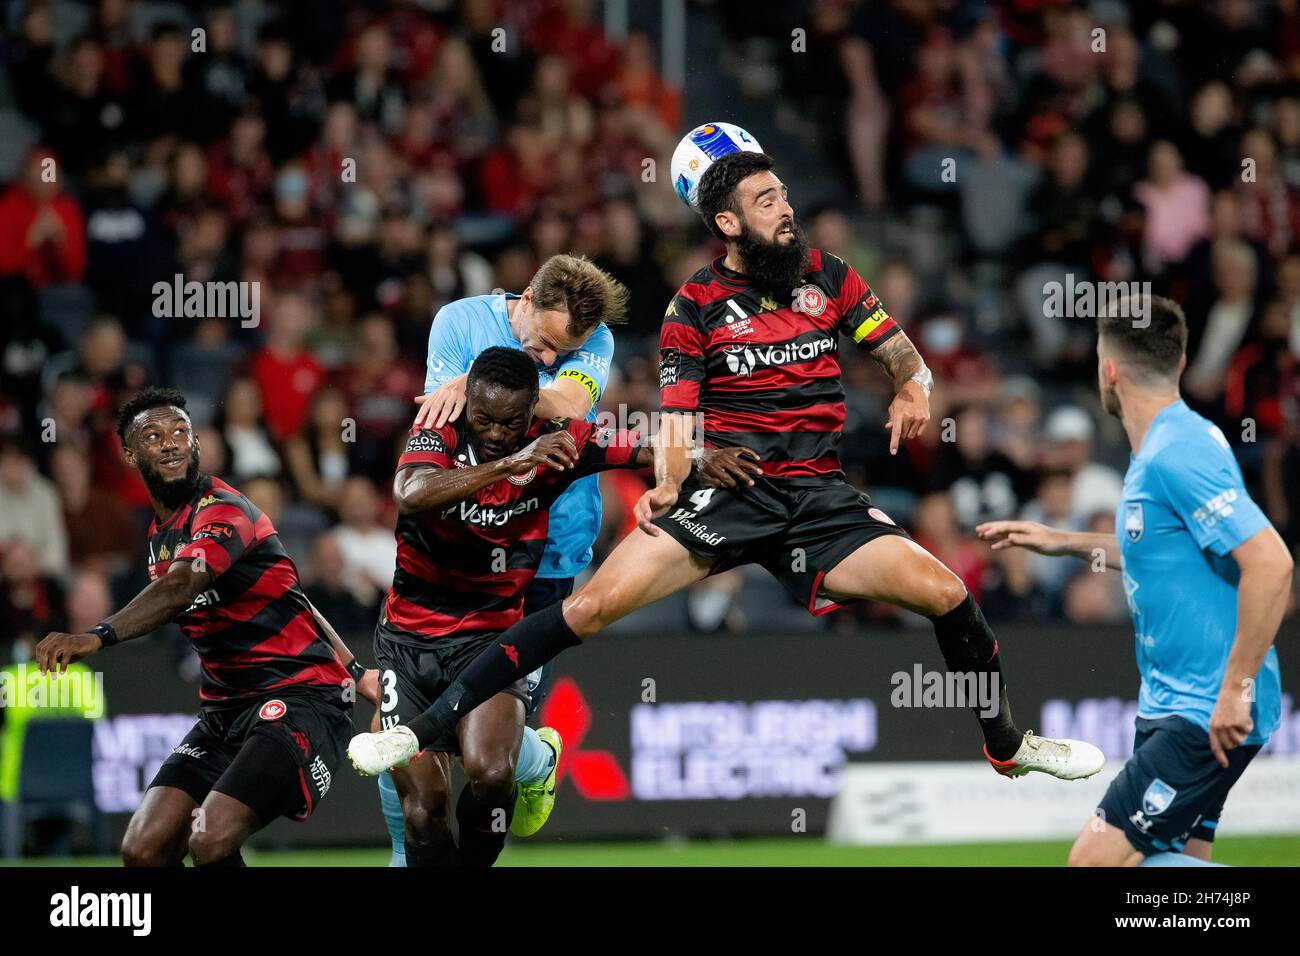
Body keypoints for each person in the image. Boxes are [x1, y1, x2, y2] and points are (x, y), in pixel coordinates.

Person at [350, 150, 1104, 782]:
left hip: (818, 498)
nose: (785, 208)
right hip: (726, 488)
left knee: (944, 591)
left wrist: (916, 385)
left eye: (782, 193)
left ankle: (1007, 746)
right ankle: (417, 732)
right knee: (585, 611)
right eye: (766, 198)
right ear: (727, 222)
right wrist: (668, 489)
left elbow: (898, 350)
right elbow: (677, 421)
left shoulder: (830, 276)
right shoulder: (694, 306)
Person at [978, 296, 1293, 867]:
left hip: (1204, 707)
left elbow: (1272, 564)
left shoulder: (1181, 450)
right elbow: (1161, 553)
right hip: (1177, 700)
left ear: (1109, 370)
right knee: (1169, 864)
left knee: (1094, 863)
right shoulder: (1167, 446)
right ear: (1181, 359)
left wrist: (1235, 690)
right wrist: (1064, 542)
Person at [35, 387, 377, 867]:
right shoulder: (158, 536)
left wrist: (97, 634)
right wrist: (359, 668)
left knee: (210, 838)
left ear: (196, 445)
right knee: (143, 848)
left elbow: (182, 586)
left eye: (180, 432)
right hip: (224, 713)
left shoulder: (224, 509)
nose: (171, 442)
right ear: (130, 455)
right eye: (154, 436)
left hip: (300, 699)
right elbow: (295, 601)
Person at [375, 347, 661, 865]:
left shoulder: (562, 442)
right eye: (483, 418)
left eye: (510, 423)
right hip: (408, 641)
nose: (493, 432)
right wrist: (514, 462)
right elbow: (409, 491)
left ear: (535, 411)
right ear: (467, 407)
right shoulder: (439, 431)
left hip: (493, 637)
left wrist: (702, 460)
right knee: (423, 810)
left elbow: (648, 447)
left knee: (491, 771)